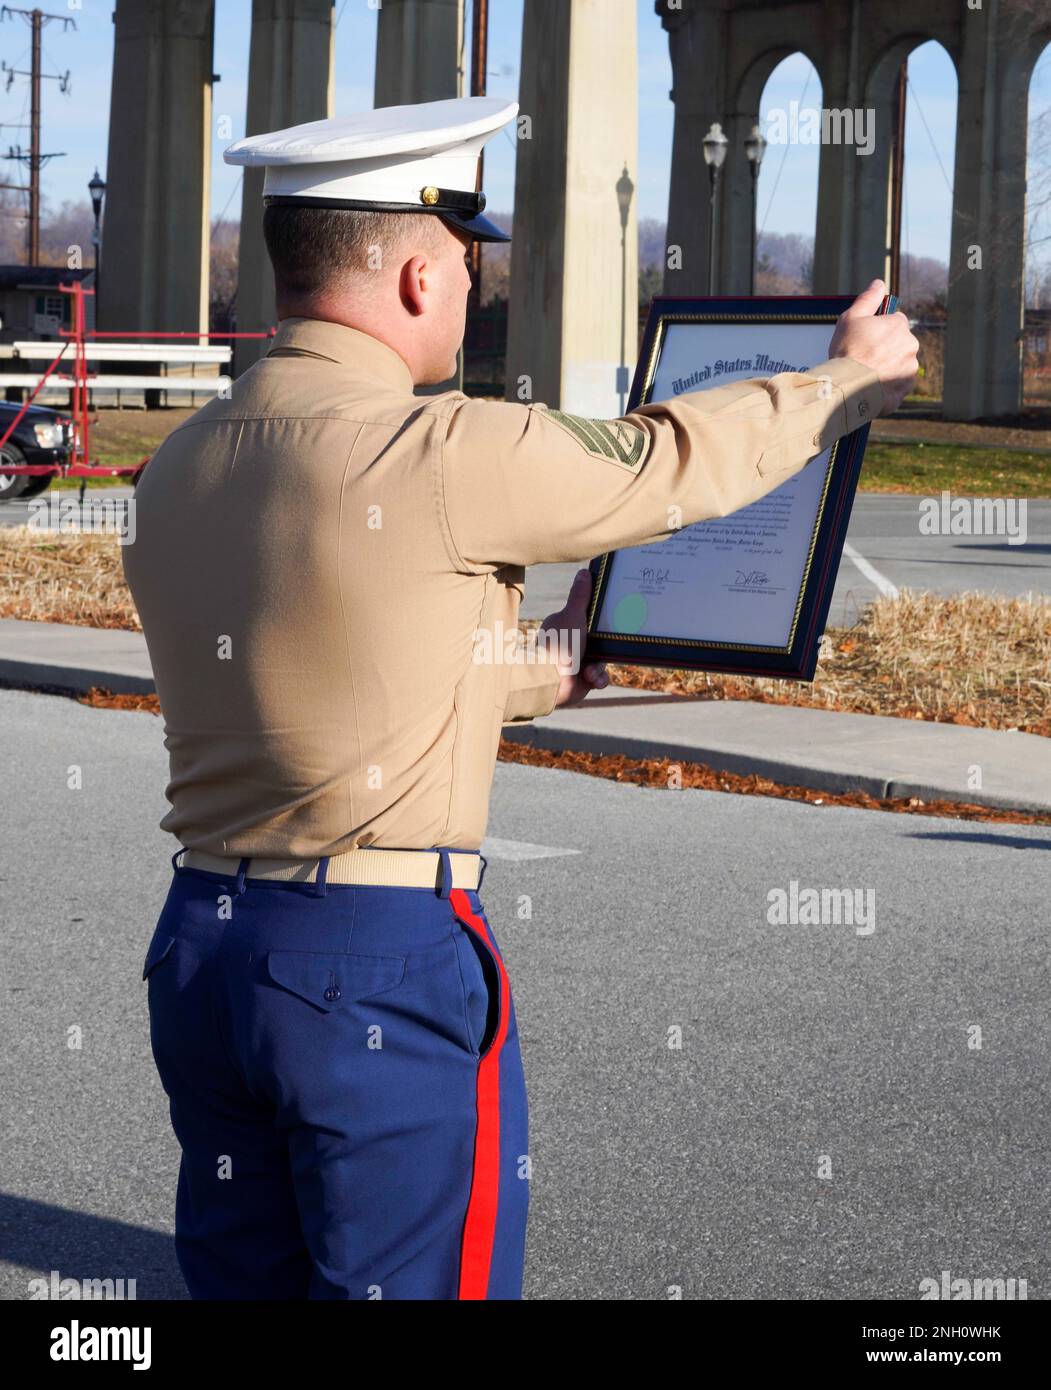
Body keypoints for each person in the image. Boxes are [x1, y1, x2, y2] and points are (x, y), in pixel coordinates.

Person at [122, 95, 919, 1301]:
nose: (472, 287)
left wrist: (535, 667)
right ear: (411, 276)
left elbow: (328, 674)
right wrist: (835, 384)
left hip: (205, 951)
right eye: (462, 260)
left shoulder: (180, 460)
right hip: (370, 961)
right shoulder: (442, 447)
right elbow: (664, 462)